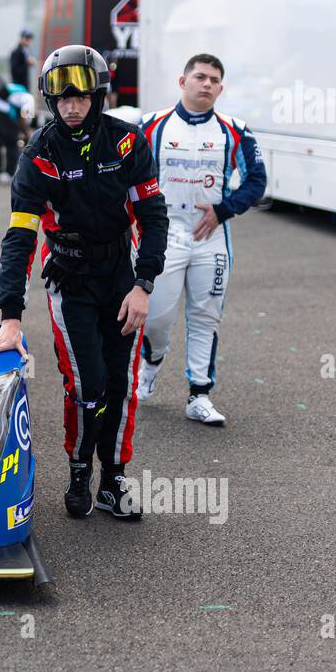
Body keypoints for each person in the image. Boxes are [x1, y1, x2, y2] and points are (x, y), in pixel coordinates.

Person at [0, 45, 168, 521]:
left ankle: (113, 478)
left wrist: (144, 284)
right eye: (61, 99)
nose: (71, 106)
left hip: (123, 278)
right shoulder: (38, 155)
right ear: (50, 101)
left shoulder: (127, 142)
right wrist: (11, 316)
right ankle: (79, 467)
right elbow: (19, 236)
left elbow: (154, 215)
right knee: (88, 383)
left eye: (80, 97)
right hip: (69, 279)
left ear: (97, 96)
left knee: (118, 384)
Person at [136, 53, 267, 426]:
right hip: (163, 237)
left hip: (211, 237)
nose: (206, 84)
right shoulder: (151, 126)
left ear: (221, 88)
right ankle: (152, 361)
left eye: (213, 80)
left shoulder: (235, 130)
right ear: (183, 82)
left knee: (205, 316)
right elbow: (125, 177)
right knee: (156, 319)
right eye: (200, 77)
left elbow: (257, 180)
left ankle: (199, 394)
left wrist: (223, 210)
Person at [0, 75, 35, 184]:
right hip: (3, 112)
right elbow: (25, 117)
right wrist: (26, 133)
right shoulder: (28, 98)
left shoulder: (13, 88)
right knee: (11, 144)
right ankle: (8, 173)